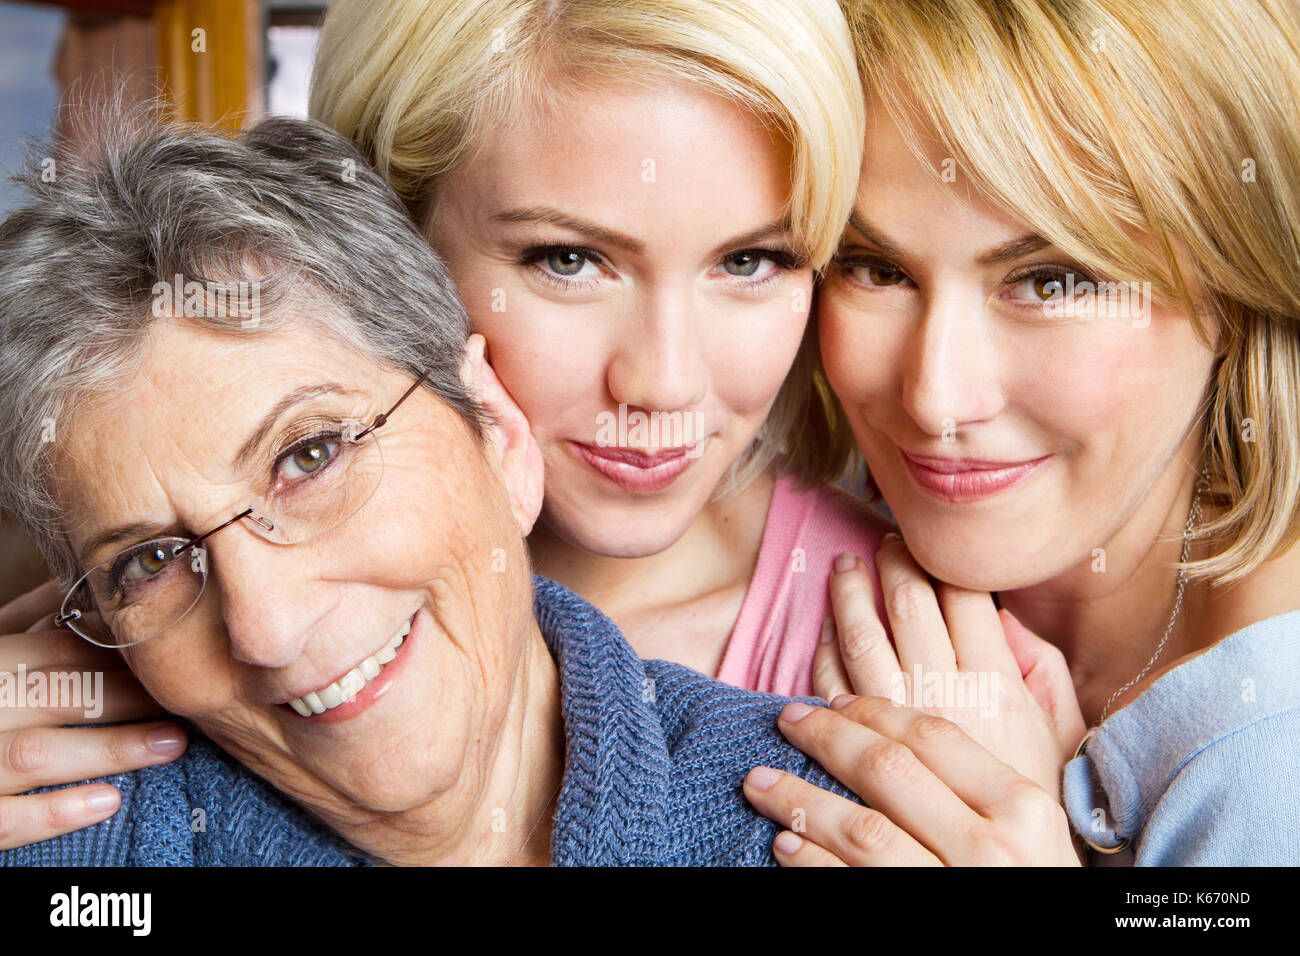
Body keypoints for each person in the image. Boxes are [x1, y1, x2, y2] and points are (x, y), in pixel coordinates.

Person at [0, 0, 891, 851]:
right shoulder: (115, 618)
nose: (663, 383)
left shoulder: (910, 659)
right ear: (391, 229)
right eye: (569, 260)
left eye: (751, 260)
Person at [744, 0, 1300, 866]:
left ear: (1235, 286)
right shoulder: (802, 540)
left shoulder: (1270, 769)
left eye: (1050, 282)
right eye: (877, 268)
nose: (934, 397)